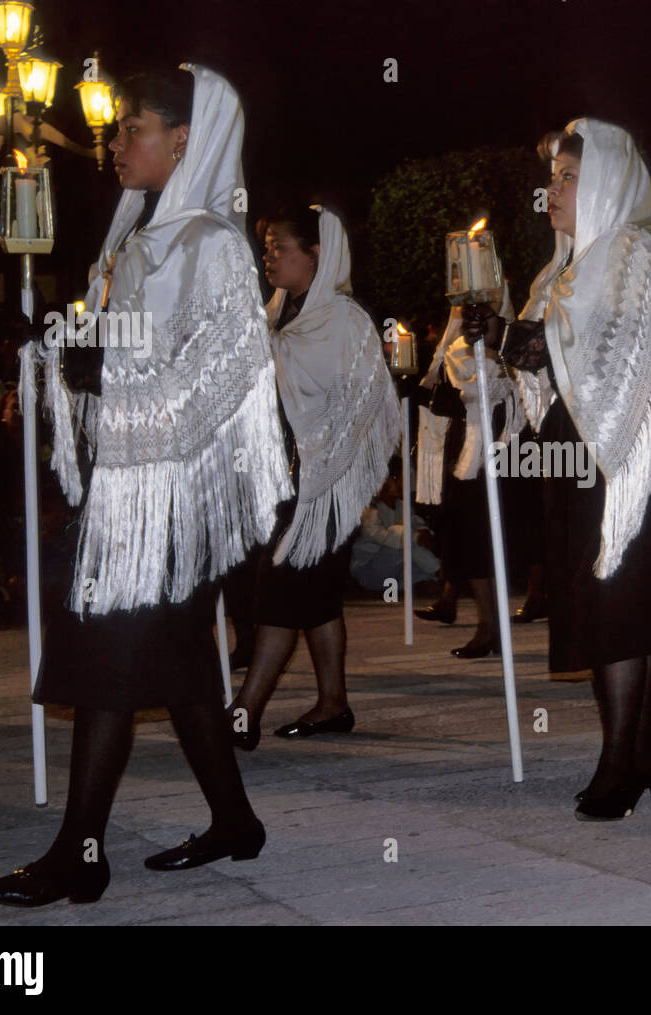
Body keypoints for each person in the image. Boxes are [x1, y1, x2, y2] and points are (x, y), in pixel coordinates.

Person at [0, 65, 293, 907]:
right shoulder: (134, 234)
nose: (115, 143)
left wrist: (106, 366)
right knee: (176, 662)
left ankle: (80, 852)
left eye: (132, 128)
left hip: (166, 504)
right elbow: (104, 346)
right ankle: (234, 820)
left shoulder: (212, 243)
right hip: (122, 487)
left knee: (110, 659)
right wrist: (54, 351)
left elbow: (230, 371)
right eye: (116, 129)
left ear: (182, 140)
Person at [471, 118, 651, 820]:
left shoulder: (635, 253)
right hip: (580, 451)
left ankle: (619, 764)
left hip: (632, 456)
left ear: (603, 181)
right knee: (608, 601)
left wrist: (514, 338)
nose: (552, 190)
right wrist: (494, 337)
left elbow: (607, 351)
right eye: (552, 178)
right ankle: (645, 749)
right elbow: (545, 353)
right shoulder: (566, 267)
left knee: (618, 602)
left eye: (568, 176)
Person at [226, 204, 400, 748]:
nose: (268, 256)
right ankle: (333, 703)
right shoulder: (277, 312)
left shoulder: (345, 321)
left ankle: (243, 713)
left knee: (279, 593)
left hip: (323, 485)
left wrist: (327, 466)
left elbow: (370, 400)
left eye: (279, 246)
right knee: (316, 599)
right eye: (267, 246)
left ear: (317, 254)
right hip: (282, 478)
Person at [414, 296, 519, 657]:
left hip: (509, 452)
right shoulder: (460, 349)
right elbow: (475, 391)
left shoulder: (510, 346)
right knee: (473, 542)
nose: (482, 321)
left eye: (489, 314)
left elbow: (516, 388)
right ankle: (488, 626)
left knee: (493, 543)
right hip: (471, 451)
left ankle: (494, 625)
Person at [351, 469, 440, 591]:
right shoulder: (370, 510)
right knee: (403, 537)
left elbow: (414, 520)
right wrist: (416, 537)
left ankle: (408, 584)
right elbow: (385, 536)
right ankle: (439, 570)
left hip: (391, 571)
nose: (400, 483)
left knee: (413, 551)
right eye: (394, 479)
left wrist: (423, 530)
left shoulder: (402, 506)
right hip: (368, 570)